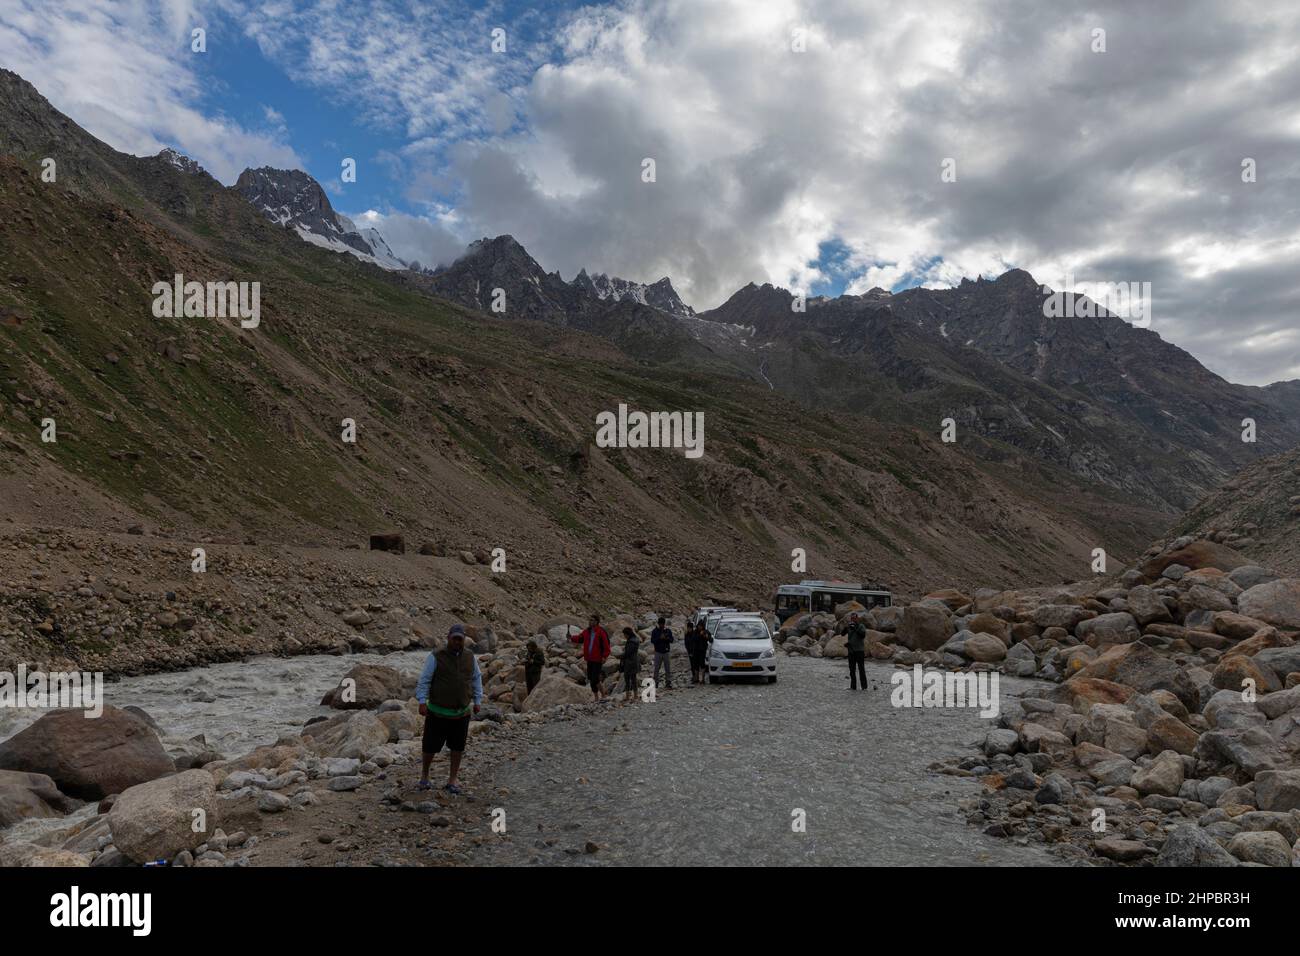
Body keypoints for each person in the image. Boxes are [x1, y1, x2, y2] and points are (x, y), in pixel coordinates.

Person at [415, 623, 482, 794]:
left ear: (464, 639)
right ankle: (424, 776)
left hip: (461, 712)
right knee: (429, 747)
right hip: (437, 711)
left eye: (460, 639)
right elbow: (424, 680)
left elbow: (476, 679)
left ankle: (452, 779)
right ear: (448, 638)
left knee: (457, 747)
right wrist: (422, 701)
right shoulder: (436, 656)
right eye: (454, 638)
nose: (457, 642)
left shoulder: (470, 657)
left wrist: (478, 700)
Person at [570, 613, 611, 700]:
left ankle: (603, 695)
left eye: (592, 620)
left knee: (595, 678)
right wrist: (571, 638)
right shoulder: (587, 631)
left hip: (598, 659)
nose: (590, 622)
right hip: (589, 659)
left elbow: (606, 645)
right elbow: (580, 638)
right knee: (591, 678)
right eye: (589, 620)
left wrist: (605, 656)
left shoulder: (601, 632)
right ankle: (597, 697)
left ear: (596, 622)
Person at [650, 616, 674, 690]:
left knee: (667, 668)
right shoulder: (655, 631)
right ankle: (656, 682)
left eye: (663, 624)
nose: (662, 625)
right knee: (656, 668)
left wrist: (666, 638)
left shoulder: (668, 631)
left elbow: (672, 640)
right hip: (658, 652)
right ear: (658, 624)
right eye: (661, 624)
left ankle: (668, 682)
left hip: (666, 651)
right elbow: (652, 641)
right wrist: (659, 638)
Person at [846, 612, 868, 691]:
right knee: (852, 670)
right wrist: (847, 627)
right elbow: (842, 634)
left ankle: (864, 687)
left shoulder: (861, 626)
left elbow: (863, 635)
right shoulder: (849, 626)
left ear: (857, 618)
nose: (853, 620)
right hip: (851, 651)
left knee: (861, 669)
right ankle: (853, 686)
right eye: (852, 618)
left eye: (854, 618)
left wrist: (855, 628)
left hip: (859, 651)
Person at [619, 626, 641, 701]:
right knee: (633, 679)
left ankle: (629, 696)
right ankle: (635, 695)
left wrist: (620, 656)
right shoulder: (635, 640)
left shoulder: (631, 642)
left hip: (629, 663)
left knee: (628, 679)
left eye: (625, 634)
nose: (624, 636)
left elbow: (627, 653)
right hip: (634, 662)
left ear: (627, 634)